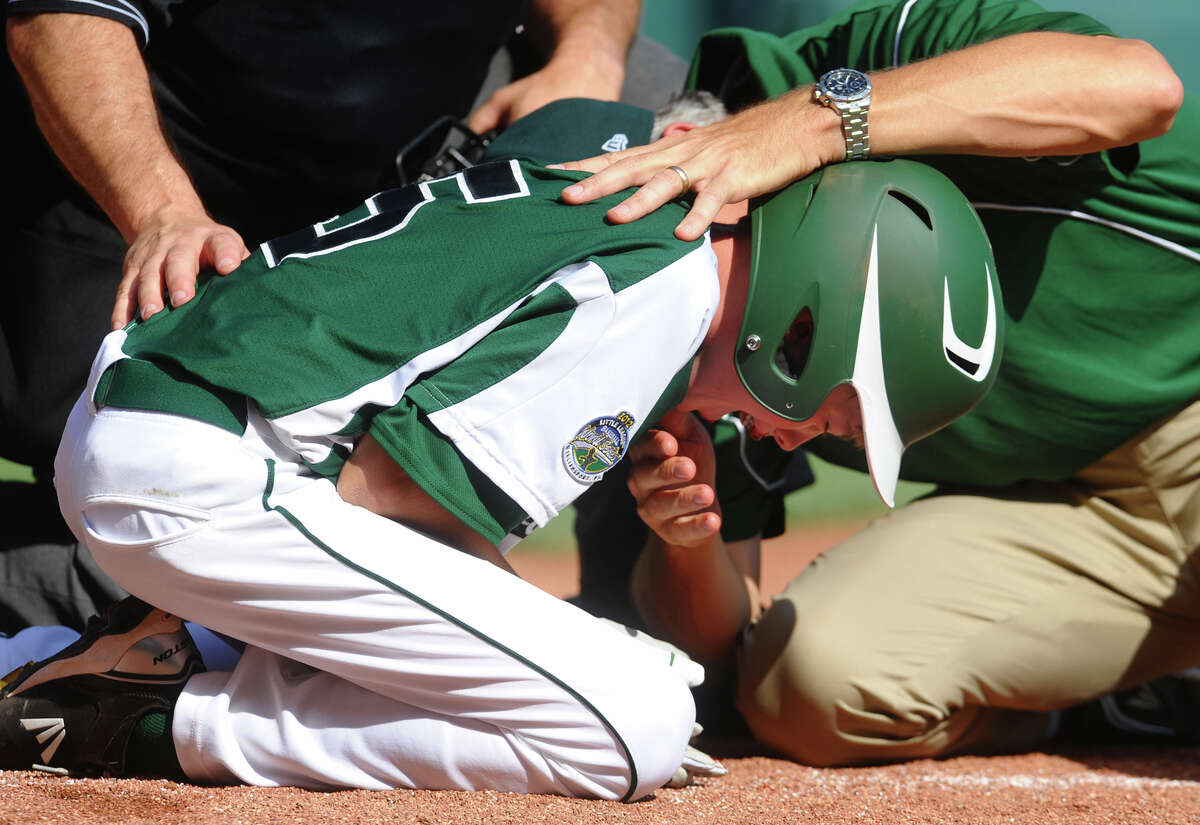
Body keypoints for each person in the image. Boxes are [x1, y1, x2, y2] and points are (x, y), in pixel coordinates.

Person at [0, 89, 1001, 795]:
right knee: (633, 724)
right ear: (806, 325)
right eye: (834, 410)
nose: (798, 435)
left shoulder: (642, 223)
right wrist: (552, 649)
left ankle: (143, 650)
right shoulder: (670, 291)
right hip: (212, 473)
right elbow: (388, 491)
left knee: (587, 667)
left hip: (186, 432)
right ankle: (143, 722)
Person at [556, 0, 1200, 763]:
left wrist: (811, 124)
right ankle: (1106, 698)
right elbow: (718, 645)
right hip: (1065, 512)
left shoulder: (847, 69)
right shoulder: (684, 330)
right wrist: (687, 541)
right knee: (806, 685)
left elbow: (1138, 84)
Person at [0, 0, 667, 632]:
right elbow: (60, 16)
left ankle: (653, 602)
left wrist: (589, 53)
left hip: (401, 188)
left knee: (655, 108)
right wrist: (159, 212)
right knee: (166, 519)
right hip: (153, 197)